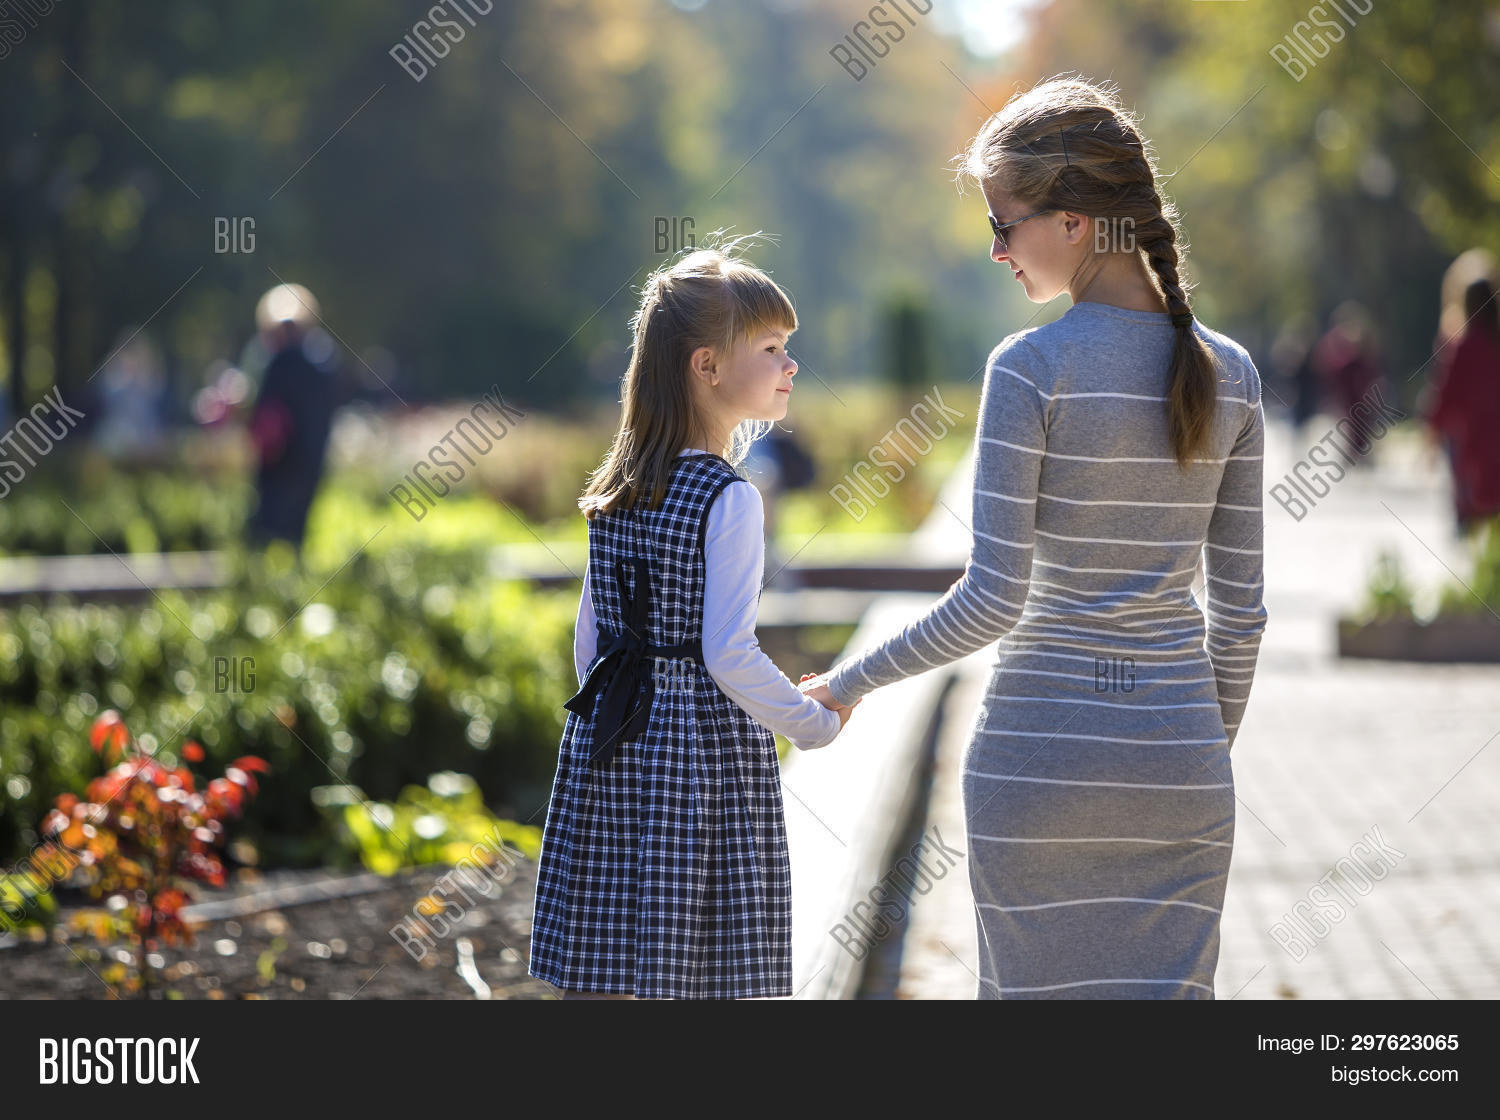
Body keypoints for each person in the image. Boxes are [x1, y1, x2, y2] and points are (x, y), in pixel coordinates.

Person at [801, 76, 1268, 999]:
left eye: (1004, 224)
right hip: (1180, 769)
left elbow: (992, 598)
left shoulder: (1029, 369)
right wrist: (1187, 749)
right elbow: (1242, 619)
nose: (994, 249)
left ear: (1077, 222)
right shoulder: (1236, 375)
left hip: (1038, 766)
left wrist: (847, 683)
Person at [527, 241, 860, 1000]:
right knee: (698, 966)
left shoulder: (616, 488)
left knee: (614, 956)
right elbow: (728, 653)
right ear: (707, 367)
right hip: (698, 760)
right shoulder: (729, 496)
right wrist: (813, 721)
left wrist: (623, 719)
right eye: (772, 348)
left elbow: (592, 642)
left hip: (608, 737)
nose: (790, 365)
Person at [244, 283, 345, 554]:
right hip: (306, 460)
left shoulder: (277, 361)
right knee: (294, 529)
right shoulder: (323, 360)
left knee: (268, 529)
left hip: (282, 461)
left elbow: (260, 409)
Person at [1425, 277, 1500, 532]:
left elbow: (1444, 396)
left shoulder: (1463, 347)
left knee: (1474, 513)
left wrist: (1431, 440)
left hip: (1473, 444)